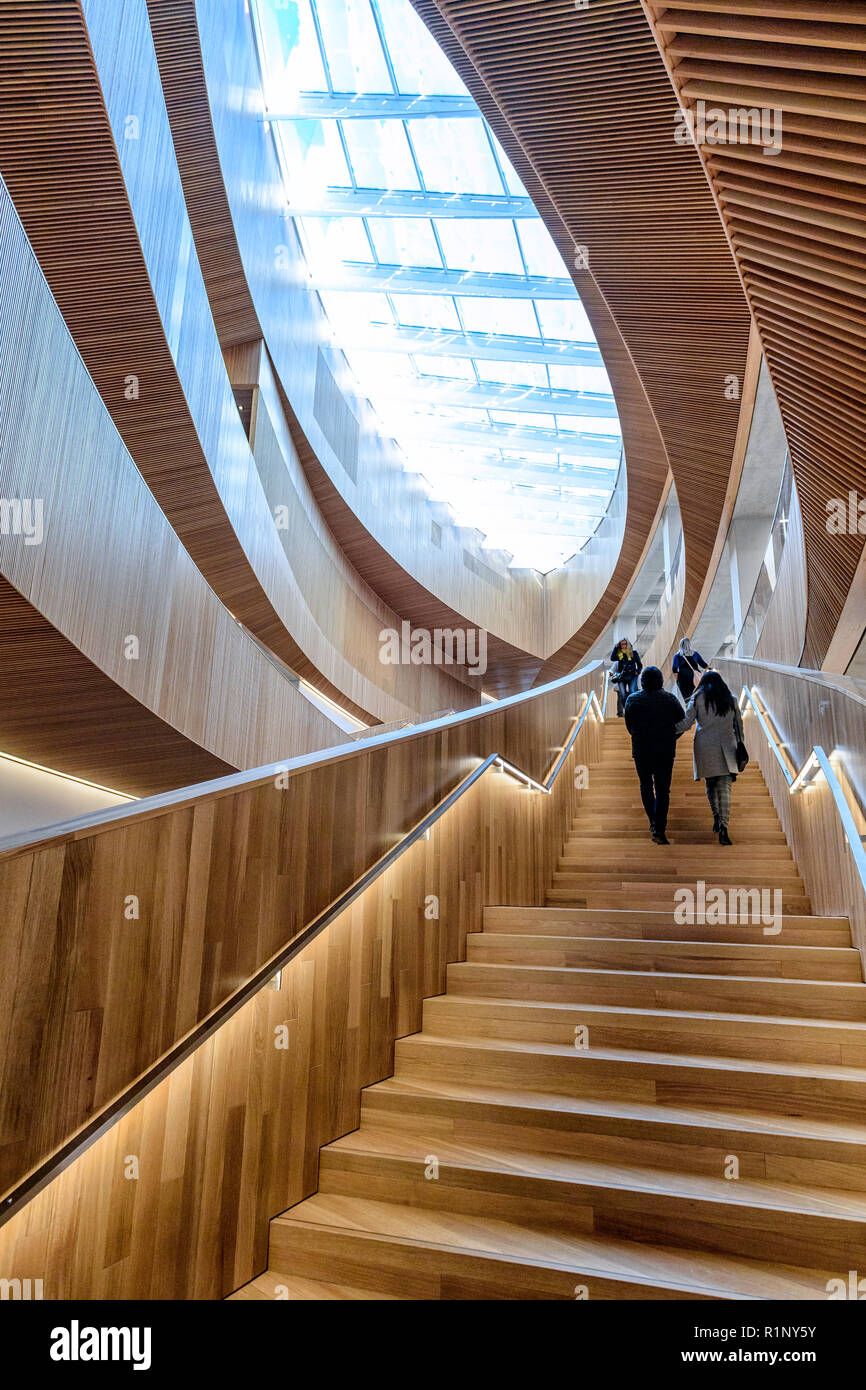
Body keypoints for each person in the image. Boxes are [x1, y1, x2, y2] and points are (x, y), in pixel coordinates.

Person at [675, 671, 745, 845]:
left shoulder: (697, 698)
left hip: (704, 747)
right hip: (727, 747)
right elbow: (739, 727)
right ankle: (724, 827)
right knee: (725, 788)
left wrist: (665, 728)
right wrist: (740, 745)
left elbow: (686, 723)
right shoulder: (731, 699)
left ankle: (716, 816)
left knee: (711, 784)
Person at [623, 665, 685, 845]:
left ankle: (653, 821)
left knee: (646, 786)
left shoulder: (632, 699)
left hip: (641, 750)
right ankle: (660, 828)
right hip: (665, 750)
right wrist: (672, 737)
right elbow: (681, 723)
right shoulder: (670, 699)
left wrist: (638, 736)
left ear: (642, 682)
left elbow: (629, 726)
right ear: (660, 680)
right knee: (663, 790)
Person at [610, 638, 642, 717]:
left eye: (625, 644)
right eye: (622, 644)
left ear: (628, 644)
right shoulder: (619, 654)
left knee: (632, 691)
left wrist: (638, 671)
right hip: (622, 677)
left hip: (632, 676)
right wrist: (615, 648)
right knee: (623, 694)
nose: (624, 646)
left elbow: (639, 664)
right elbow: (612, 658)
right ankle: (627, 709)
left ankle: (633, 710)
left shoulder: (633, 653)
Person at [672, 637, 709, 704]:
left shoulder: (677, 656)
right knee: (698, 696)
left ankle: (689, 711)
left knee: (687, 699)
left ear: (680, 645)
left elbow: (674, 669)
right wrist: (711, 669)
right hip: (695, 677)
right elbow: (703, 665)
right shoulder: (695, 654)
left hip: (683, 679)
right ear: (689, 644)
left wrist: (678, 680)